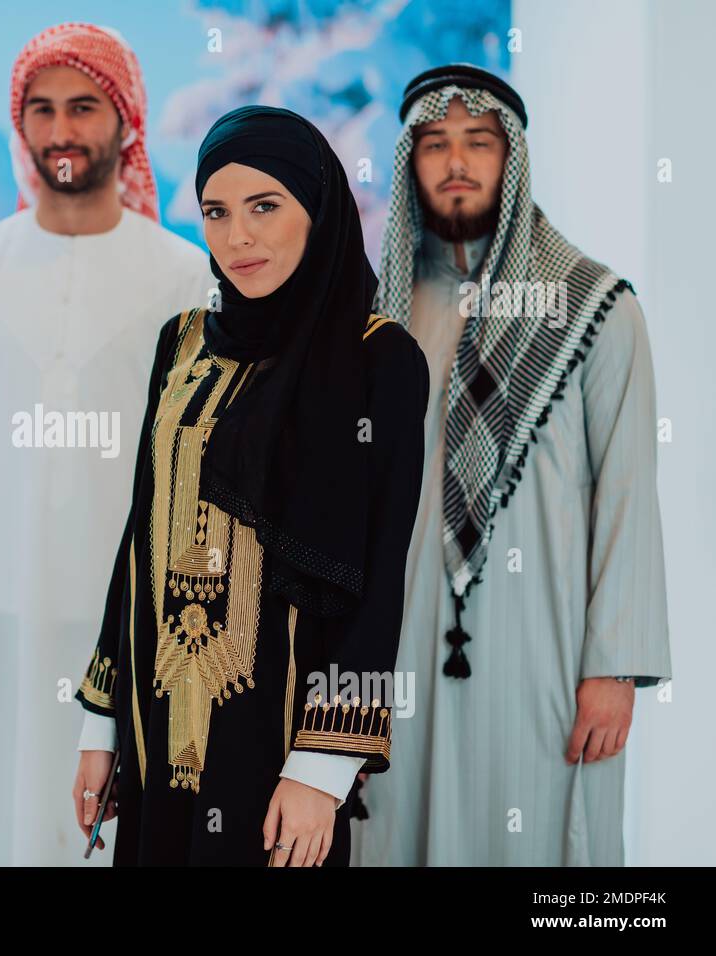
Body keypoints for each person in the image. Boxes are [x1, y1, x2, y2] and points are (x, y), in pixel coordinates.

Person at [72, 105, 429, 866]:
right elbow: (140, 534)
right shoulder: (182, 342)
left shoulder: (378, 360)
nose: (238, 236)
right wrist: (100, 725)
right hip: (156, 715)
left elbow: (378, 576)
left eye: (265, 207)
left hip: (279, 742)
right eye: (216, 212)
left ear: (318, 210)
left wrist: (322, 769)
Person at [0, 22, 213, 866]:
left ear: (126, 123)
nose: (61, 129)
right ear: (21, 127)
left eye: (83, 106)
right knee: (6, 833)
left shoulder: (184, 275)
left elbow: (199, 477)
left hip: (140, 627)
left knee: (127, 843)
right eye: (40, 109)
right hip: (0, 627)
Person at [353, 65, 672, 866]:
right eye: (434, 144)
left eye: (479, 142)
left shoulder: (597, 306)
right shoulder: (375, 321)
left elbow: (628, 491)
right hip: (398, 653)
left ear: (513, 157)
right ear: (410, 162)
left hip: (549, 651)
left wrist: (617, 668)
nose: (456, 162)